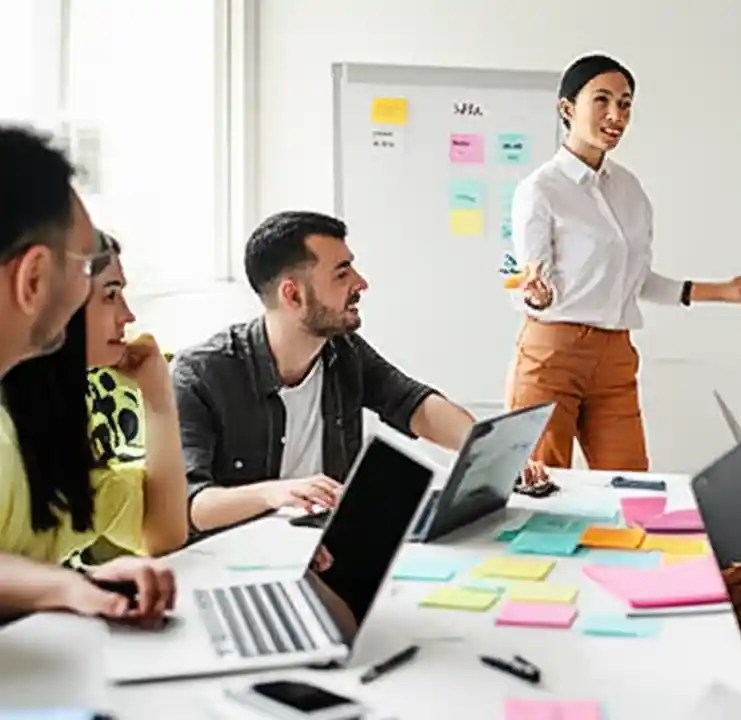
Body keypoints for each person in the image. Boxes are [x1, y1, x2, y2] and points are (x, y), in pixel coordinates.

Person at [172, 211, 544, 533]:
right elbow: (190, 507)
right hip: (238, 560)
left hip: (326, 548)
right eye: (342, 273)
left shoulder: (342, 352)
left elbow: (414, 405)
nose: (361, 283)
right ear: (292, 294)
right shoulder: (201, 375)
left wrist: (488, 451)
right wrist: (275, 491)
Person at [507, 53, 741, 472]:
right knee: (541, 483)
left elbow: (635, 281)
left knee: (630, 482)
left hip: (616, 355)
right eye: (602, 100)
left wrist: (723, 292)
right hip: (554, 353)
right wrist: (538, 293)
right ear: (567, 108)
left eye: (625, 103)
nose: (616, 114)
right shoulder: (541, 189)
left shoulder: (629, 189)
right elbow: (535, 280)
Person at [0, 125, 173, 620]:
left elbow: (161, 531)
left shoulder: (36, 420)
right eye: (84, 270)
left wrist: (71, 588)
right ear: (32, 278)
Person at [2, 231, 188, 563]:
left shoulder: (60, 417)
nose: (128, 316)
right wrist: (71, 591)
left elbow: (163, 533)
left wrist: (158, 399)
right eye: (111, 295)